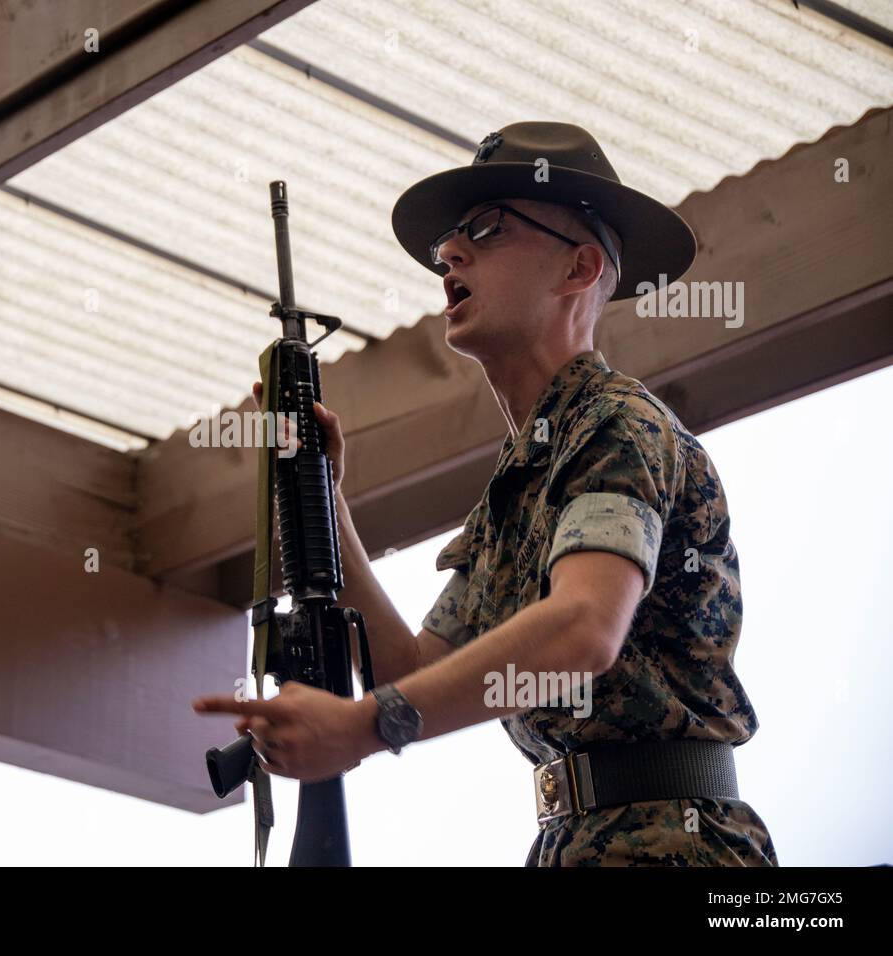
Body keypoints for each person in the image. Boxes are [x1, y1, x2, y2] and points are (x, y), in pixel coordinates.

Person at [193, 122, 776, 866]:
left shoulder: (617, 428)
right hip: (574, 843)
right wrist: (323, 497)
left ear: (580, 268)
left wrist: (362, 727)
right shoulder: (519, 488)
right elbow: (412, 673)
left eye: (488, 230)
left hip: (675, 843)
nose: (449, 255)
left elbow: (582, 632)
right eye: (450, 243)